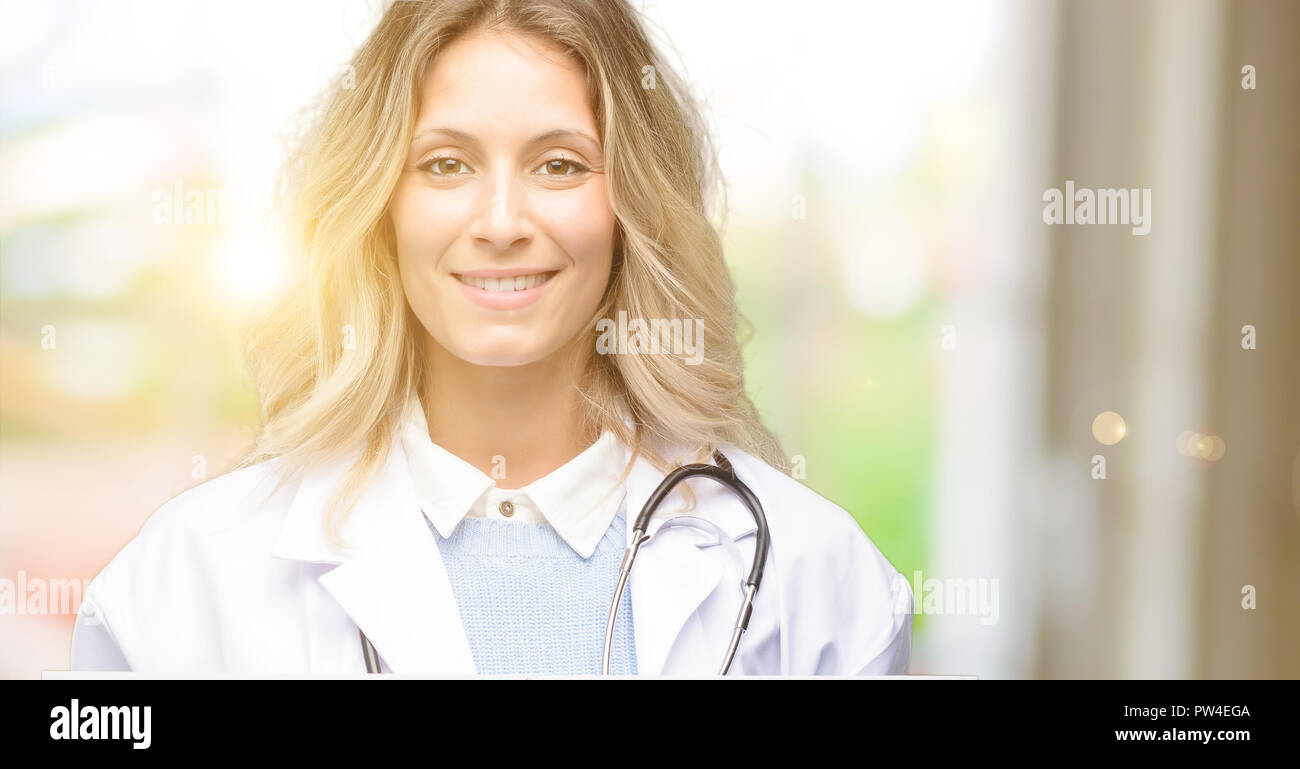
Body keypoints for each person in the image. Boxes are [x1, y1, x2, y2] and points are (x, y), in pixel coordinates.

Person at [70, 0, 913, 676]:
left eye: (559, 164)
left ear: (632, 211)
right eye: (446, 164)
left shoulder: (816, 578)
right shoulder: (187, 580)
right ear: (380, 207)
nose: (502, 222)